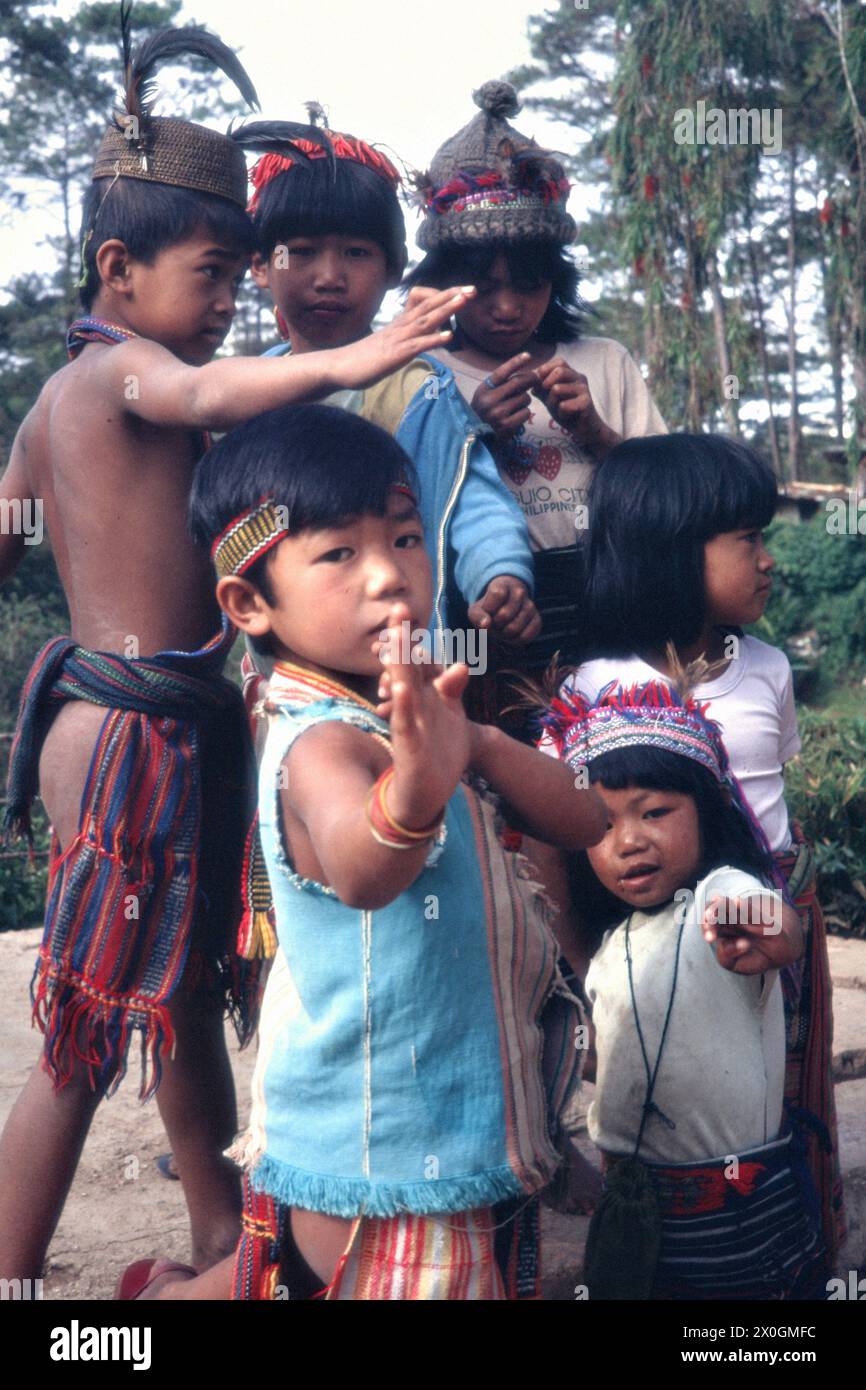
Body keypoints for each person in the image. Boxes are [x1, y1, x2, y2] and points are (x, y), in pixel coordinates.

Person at [0, 20, 473, 1285]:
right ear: (118, 268)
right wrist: (356, 357)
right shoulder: (126, 381)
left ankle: (220, 1234)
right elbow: (207, 400)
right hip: (131, 729)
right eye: (216, 275)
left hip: (131, 720)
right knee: (88, 1025)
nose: (229, 303)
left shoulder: (55, 411)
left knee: (183, 984)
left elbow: (16, 526)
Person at [115, 401, 606, 1301]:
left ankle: (159, 1300)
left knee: (288, 1279)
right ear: (249, 602)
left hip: (458, 1114)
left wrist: (485, 749)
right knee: (321, 1273)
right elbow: (366, 868)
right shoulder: (319, 742)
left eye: (408, 538)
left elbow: (589, 822)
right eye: (339, 553)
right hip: (382, 1137)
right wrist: (427, 772)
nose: (391, 576)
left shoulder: (420, 717)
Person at [544, 432, 844, 1262]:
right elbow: (555, 830)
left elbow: (774, 802)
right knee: (678, 1101)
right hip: (652, 936)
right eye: (746, 539)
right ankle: (677, 1256)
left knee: (781, 1088)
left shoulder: (768, 671)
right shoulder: (591, 688)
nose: (767, 560)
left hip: (772, 922)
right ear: (670, 550)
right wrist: (579, 959)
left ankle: (793, 1249)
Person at [540, 674, 827, 1300]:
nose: (629, 839)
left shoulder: (718, 897)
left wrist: (772, 928)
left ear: (708, 808)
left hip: (738, 1219)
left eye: (655, 811)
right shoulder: (611, 947)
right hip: (636, 1217)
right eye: (602, 822)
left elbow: (775, 921)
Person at [231, 112, 539, 647]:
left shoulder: (418, 387)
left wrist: (501, 573)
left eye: (356, 253)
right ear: (261, 265)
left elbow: (470, 499)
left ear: (395, 267)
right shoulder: (248, 391)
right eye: (301, 252)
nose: (330, 276)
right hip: (286, 666)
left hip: (403, 657)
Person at [405, 80, 665, 690]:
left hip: (610, 598)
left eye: (526, 284)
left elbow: (667, 495)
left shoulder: (605, 362)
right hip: (483, 610)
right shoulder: (425, 375)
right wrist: (475, 433)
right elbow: (410, 503)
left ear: (556, 283)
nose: (505, 307)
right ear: (443, 282)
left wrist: (596, 431)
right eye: (482, 286)